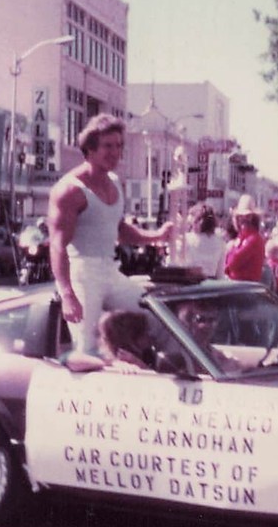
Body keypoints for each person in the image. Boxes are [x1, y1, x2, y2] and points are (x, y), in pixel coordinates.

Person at [48, 114, 173, 353]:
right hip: (81, 274)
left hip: (110, 270)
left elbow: (119, 230)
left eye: (119, 145)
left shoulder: (115, 181)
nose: (115, 152)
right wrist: (67, 294)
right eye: (107, 146)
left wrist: (155, 236)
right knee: (86, 348)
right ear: (90, 149)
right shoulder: (69, 190)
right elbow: (57, 245)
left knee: (160, 320)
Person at [224, 197, 264, 281]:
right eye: (240, 216)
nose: (243, 219)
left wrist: (231, 249)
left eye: (248, 216)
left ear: (253, 218)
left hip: (246, 288)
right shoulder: (242, 237)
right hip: (237, 286)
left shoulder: (254, 239)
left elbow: (232, 263)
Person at [183, 204, 225, 278]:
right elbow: (220, 273)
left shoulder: (187, 239)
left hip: (192, 283)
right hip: (211, 284)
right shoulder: (220, 242)